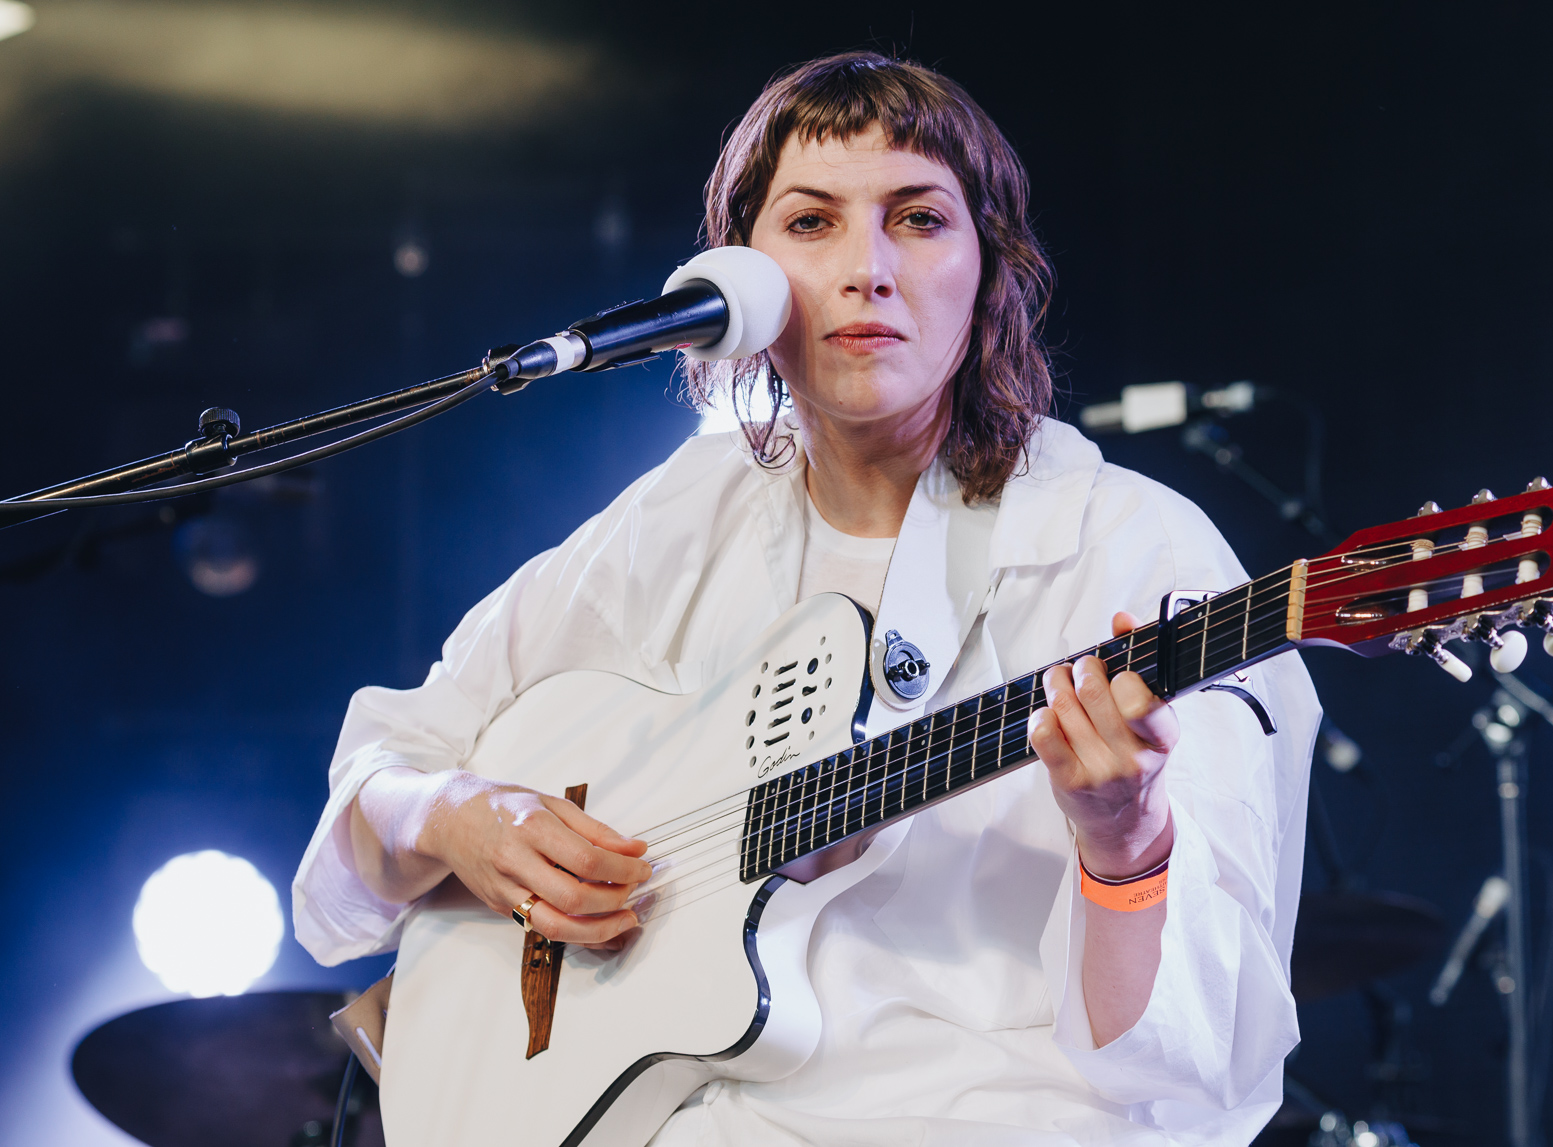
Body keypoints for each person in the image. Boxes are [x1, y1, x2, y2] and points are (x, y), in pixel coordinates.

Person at [293, 51, 1320, 1145]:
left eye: (918, 219)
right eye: (812, 221)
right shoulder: (682, 519)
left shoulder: (1131, 549)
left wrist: (1126, 842)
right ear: (742, 278)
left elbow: (1184, 1066)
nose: (866, 268)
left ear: (991, 268)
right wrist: (463, 816)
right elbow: (383, 770)